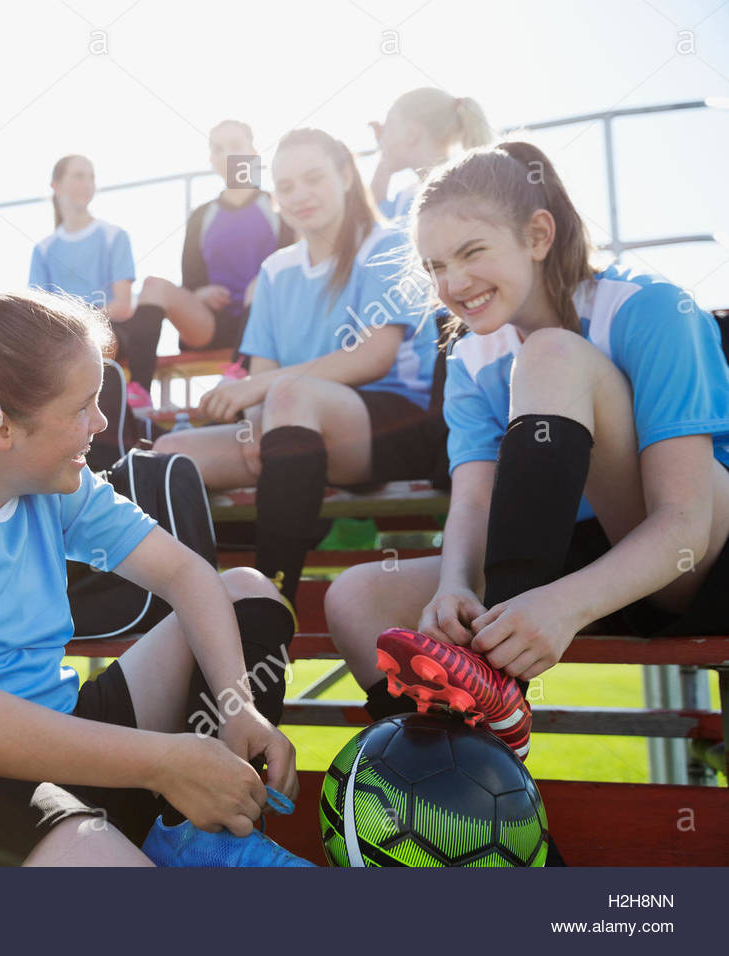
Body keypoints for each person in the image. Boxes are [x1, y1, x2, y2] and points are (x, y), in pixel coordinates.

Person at [0, 264, 313, 866]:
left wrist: (236, 707)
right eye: (82, 407)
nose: (101, 424)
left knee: (246, 596)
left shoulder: (52, 481)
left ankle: (194, 839)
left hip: (52, 746)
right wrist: (166, 760)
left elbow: (188, 575)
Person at [324, 142, 729, 765]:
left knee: (552, 352)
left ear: (538, 235)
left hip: (693, 557)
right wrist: (455, 585)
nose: (452, 284)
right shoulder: (468, 356)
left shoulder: (647, 307)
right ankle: (471, 795)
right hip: (570, 561)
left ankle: (499, 688)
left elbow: (685, 526)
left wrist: (560, 605)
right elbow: (476, 500)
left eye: (471, 252)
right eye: (435, 266)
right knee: (356, 598)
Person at [156, 128, 440, 604]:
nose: (300, 195)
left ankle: (270, 605)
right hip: (294, 426)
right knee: (171, 452)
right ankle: (199, 605)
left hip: (392, 422)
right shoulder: (275, 270)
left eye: (314, 178)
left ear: (346, 175)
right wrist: (254, 424)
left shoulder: (388, 244)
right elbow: (263, 375)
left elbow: (373, 356)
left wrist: (266, 396)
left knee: (291, 394)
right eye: (286, 186)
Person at [136, 120, 294, 361]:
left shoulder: (278, 207)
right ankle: (138, 393)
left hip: (268, 321)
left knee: (261, 284)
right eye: (218, 149)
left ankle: (239, 371)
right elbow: (189, 283)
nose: (228, 154)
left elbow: (292, 270)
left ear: (253, 153)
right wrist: (201, 293)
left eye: (235, 145)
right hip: (210, 324)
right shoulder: (201, 215)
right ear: (211, 160)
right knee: (153, 286)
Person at [29, 155, 151, 402]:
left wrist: (81, 327)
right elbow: (37, 314)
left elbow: (123, 305)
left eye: (91, 177)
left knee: (84, 350)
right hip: (60, 338)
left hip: (106, 331)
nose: (86, 183)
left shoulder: (114, 236)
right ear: (56, 185)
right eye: (78, 176)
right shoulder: (43, 250)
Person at [370, 88, 494, 221]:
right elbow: (381, 211)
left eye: (388, 128)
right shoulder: (408, 197)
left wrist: (385, 156)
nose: (382, 139)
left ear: (412, 134)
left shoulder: (450, 196)